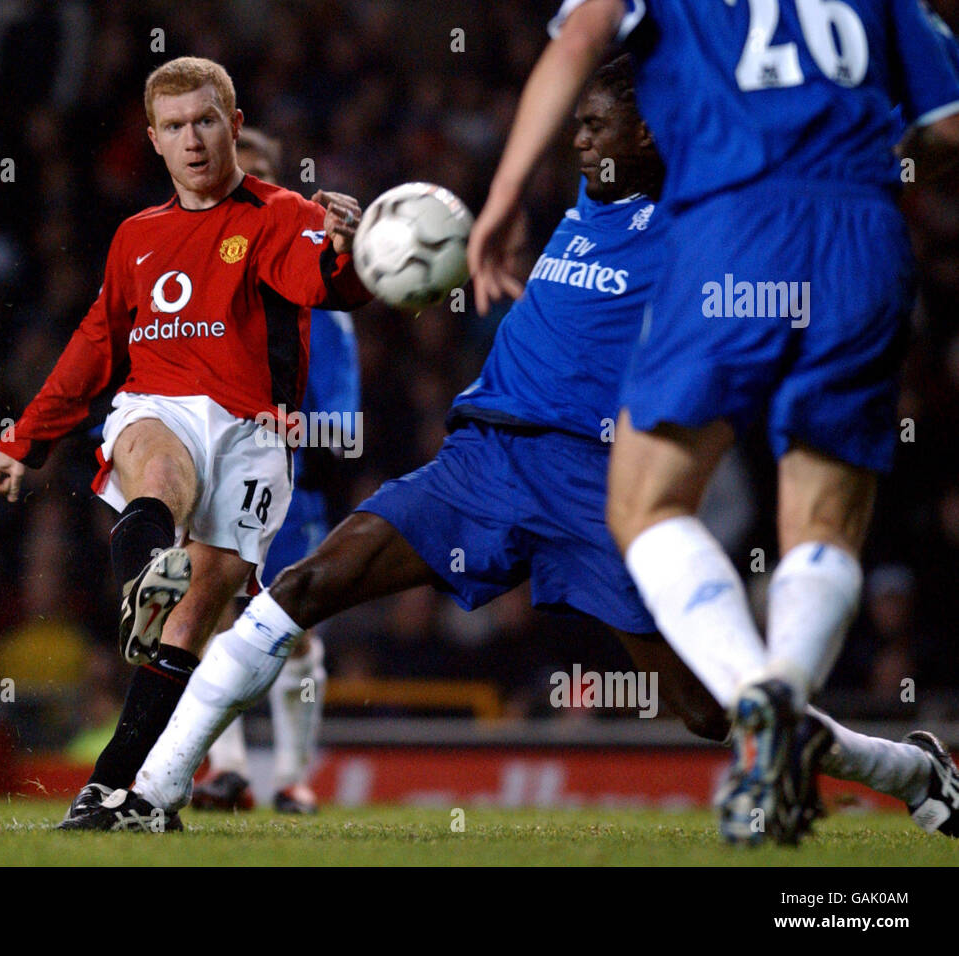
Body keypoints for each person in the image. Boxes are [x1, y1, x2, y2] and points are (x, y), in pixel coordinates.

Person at [66, 57, 959, 835]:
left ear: (650, 136)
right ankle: (153, 787)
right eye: (575, 125)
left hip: (599, 485)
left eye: (594, 128)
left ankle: (909, 770)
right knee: (303, 587)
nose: (577, 142)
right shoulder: (589, 198)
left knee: (706, 710)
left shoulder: (703, 224)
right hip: (483, 461)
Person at [467, 0, 959, 844]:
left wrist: (507, 191)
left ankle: (759, 703)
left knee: (647, 503)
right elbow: (947, 130)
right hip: (862, 235)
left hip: (733, 227)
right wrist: (883, 170)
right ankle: (785, 692)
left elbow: (581, 34)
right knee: (824, 517)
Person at [0, 56, 370, 829]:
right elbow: (97, 343)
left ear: (233, 123)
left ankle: (120, 789)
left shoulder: (280, 213)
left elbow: (328, 287)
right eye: (175, 126)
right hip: (159, 404)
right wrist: (24, 440)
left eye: (205, 121)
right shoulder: (136, 237)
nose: (192, 139)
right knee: (157, 466)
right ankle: (143, 579)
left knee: (195, 623)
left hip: (255, 436)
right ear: (153, 140)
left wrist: (346, 245)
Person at [181, 128, 360, 816]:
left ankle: (292, 778)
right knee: (208, 615)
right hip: (208, 481)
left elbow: (342, 424)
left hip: (287, 489)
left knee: (291, 629)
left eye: (257, 180)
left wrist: (272, 428)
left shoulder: (319, 300)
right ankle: (226, 771)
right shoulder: (196, 286)